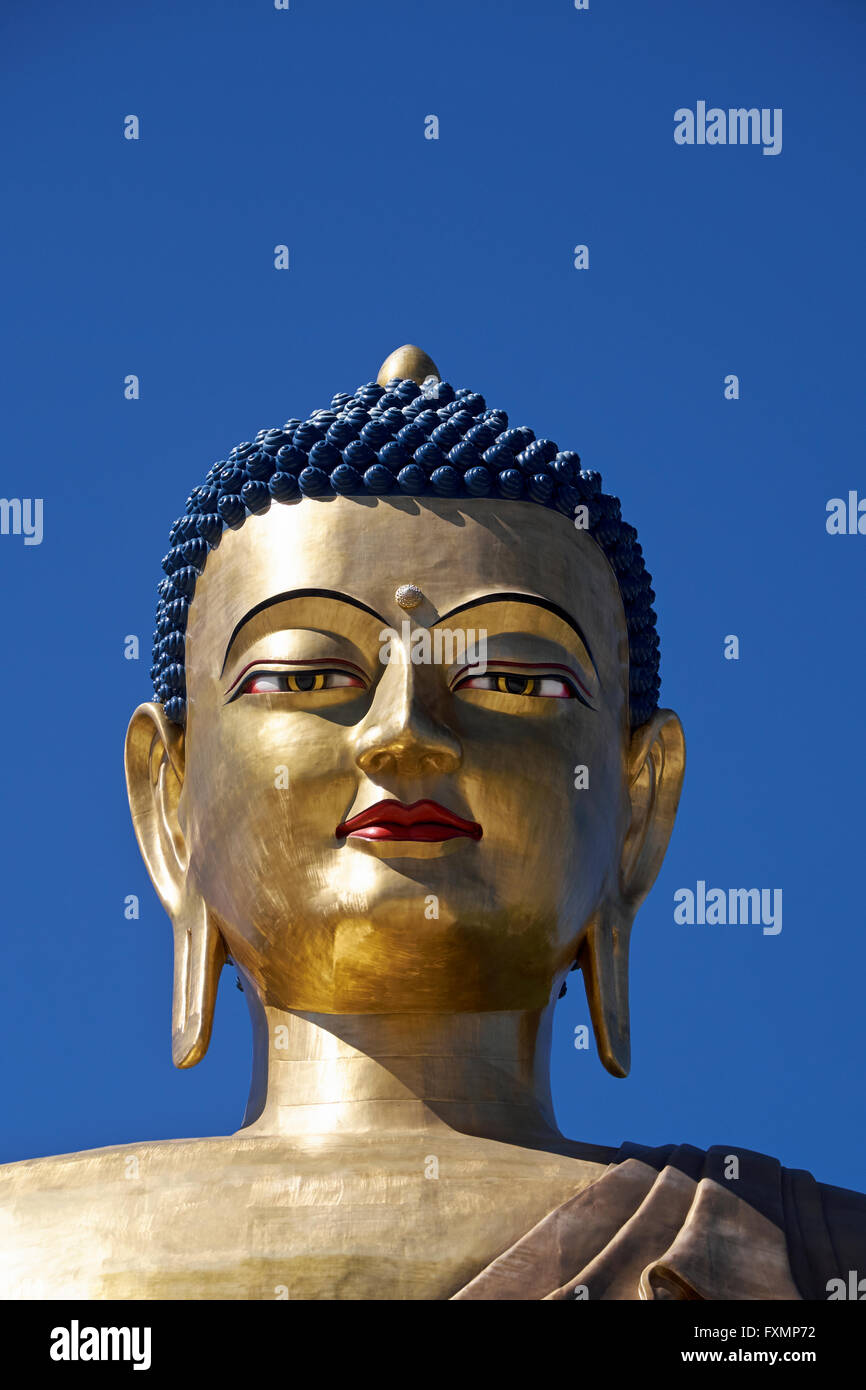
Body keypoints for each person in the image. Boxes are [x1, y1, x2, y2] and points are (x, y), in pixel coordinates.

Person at [1, 347, 862, 1300]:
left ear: (639, 807)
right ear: (168, 802)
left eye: (513, 680)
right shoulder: (28, 1250)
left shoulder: (799, 1261)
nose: (406, 736)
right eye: (303, 677)